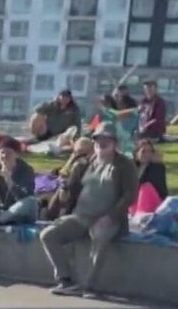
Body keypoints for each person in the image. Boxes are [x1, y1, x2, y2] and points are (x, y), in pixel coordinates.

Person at [40, 123, 139, 298]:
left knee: (100, 236)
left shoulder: (125, 165)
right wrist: (64, 191)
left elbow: (130, 195)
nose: (102, 142)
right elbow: (69, 194)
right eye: (99, 138)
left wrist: (111, 216)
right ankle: (65, 280)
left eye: (107, 139)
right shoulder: (83, 164)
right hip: (81, 216)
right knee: (48, 235)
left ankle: (89, 286)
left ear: (115, 142)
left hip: (110, 219)